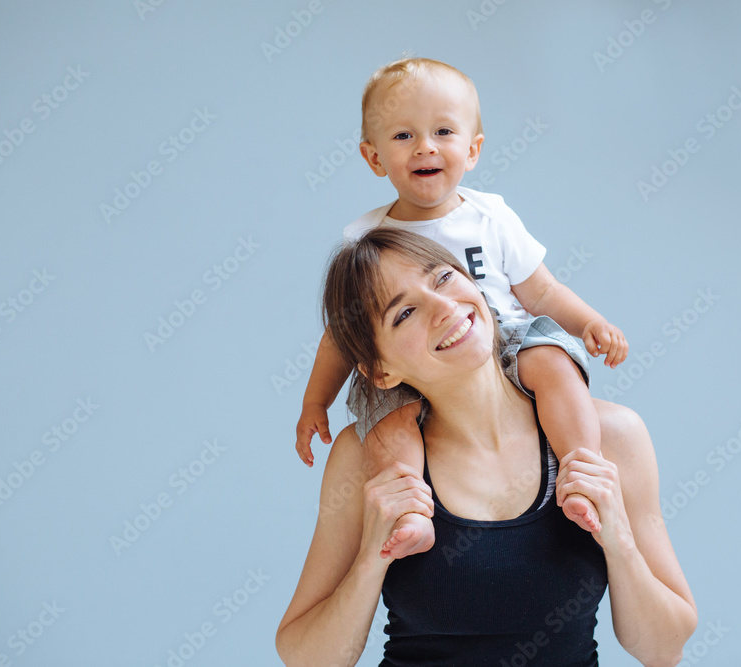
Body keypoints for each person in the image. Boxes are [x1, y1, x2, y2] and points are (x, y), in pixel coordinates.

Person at [277, 229, 696, 666]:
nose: (444, 307)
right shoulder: (367, 456)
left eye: (442, 278)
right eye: (403, 314)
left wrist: (620, 541)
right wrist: (371, 559)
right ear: (380, 372)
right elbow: (307, 658)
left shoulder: (612, 437)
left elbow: (664, 650)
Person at [295, 57, 629, 559]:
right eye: (403, 136)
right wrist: (314, 401)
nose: (425, 146)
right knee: (389, 417)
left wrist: (588, 322)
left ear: (472, 149)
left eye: (443, 131)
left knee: (552, 361)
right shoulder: (368, 240)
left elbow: (540, 290)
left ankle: (581, 470)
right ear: (373, 158)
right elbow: (345, 334)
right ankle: (410, 513)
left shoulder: (489, 216)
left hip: (505, 341)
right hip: (414, 364)